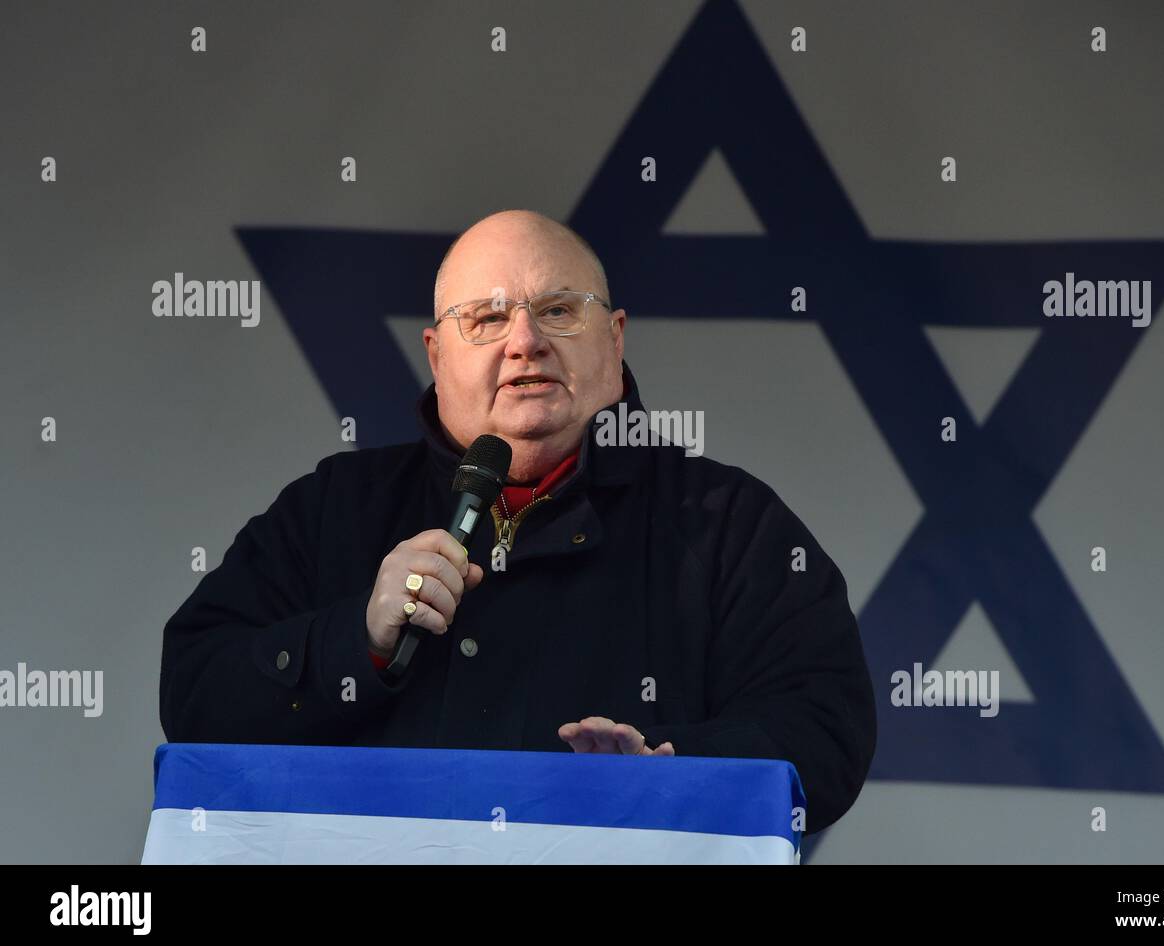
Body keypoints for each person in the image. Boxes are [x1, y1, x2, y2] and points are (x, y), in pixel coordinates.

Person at [160, 209, 876, 833]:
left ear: (616, 339)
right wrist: (357, 642)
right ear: (438, 357)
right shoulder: (333, 508)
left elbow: (826, 726)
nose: (525, 340)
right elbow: (194, 694)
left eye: (559, 309)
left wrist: (675, 772)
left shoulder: (729, 524)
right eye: (487, 317)